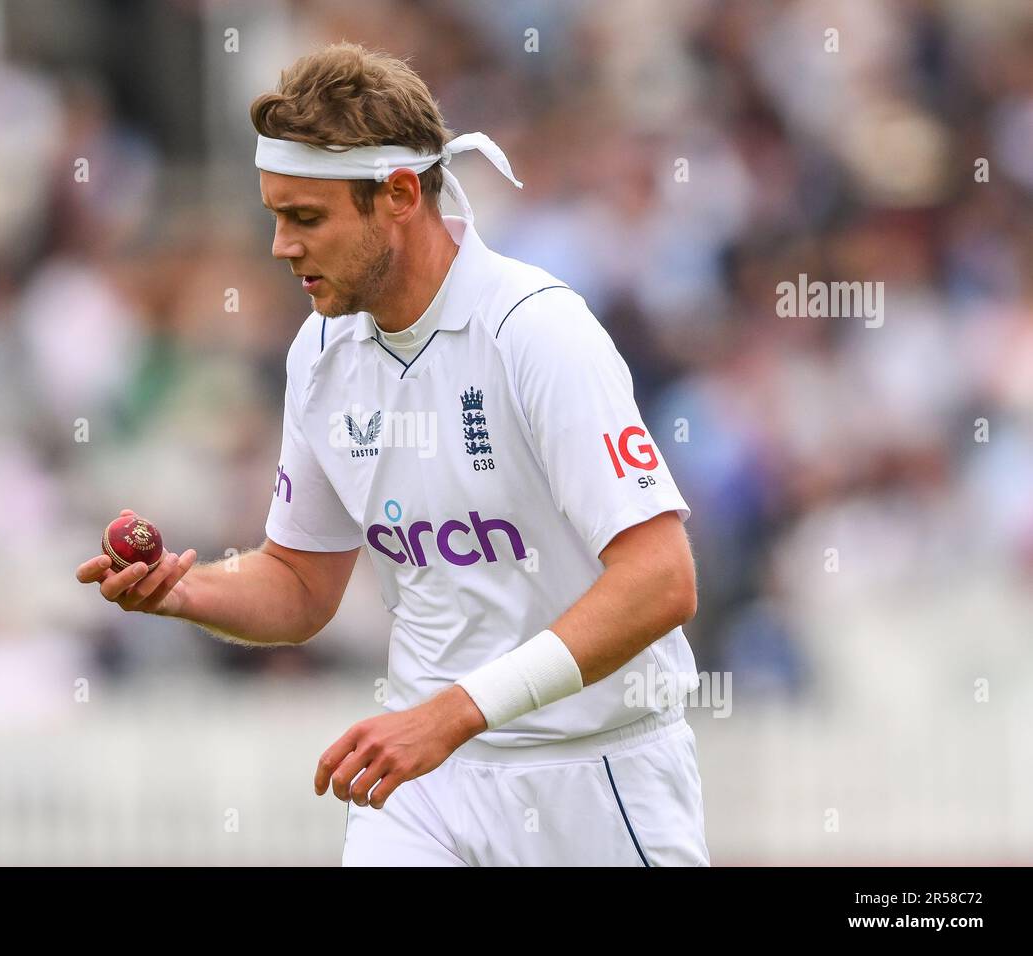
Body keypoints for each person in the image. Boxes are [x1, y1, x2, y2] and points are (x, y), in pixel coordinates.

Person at [76, 43, 709, 866]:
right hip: (424, 790)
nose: (280, 246)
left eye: (306, 218)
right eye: (275, 215)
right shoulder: (321, 356)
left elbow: (662, 580)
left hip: (597, 777)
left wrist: (453, 713)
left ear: (401, 195)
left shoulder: (537, 330)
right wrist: (184, 590)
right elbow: (302, 583)